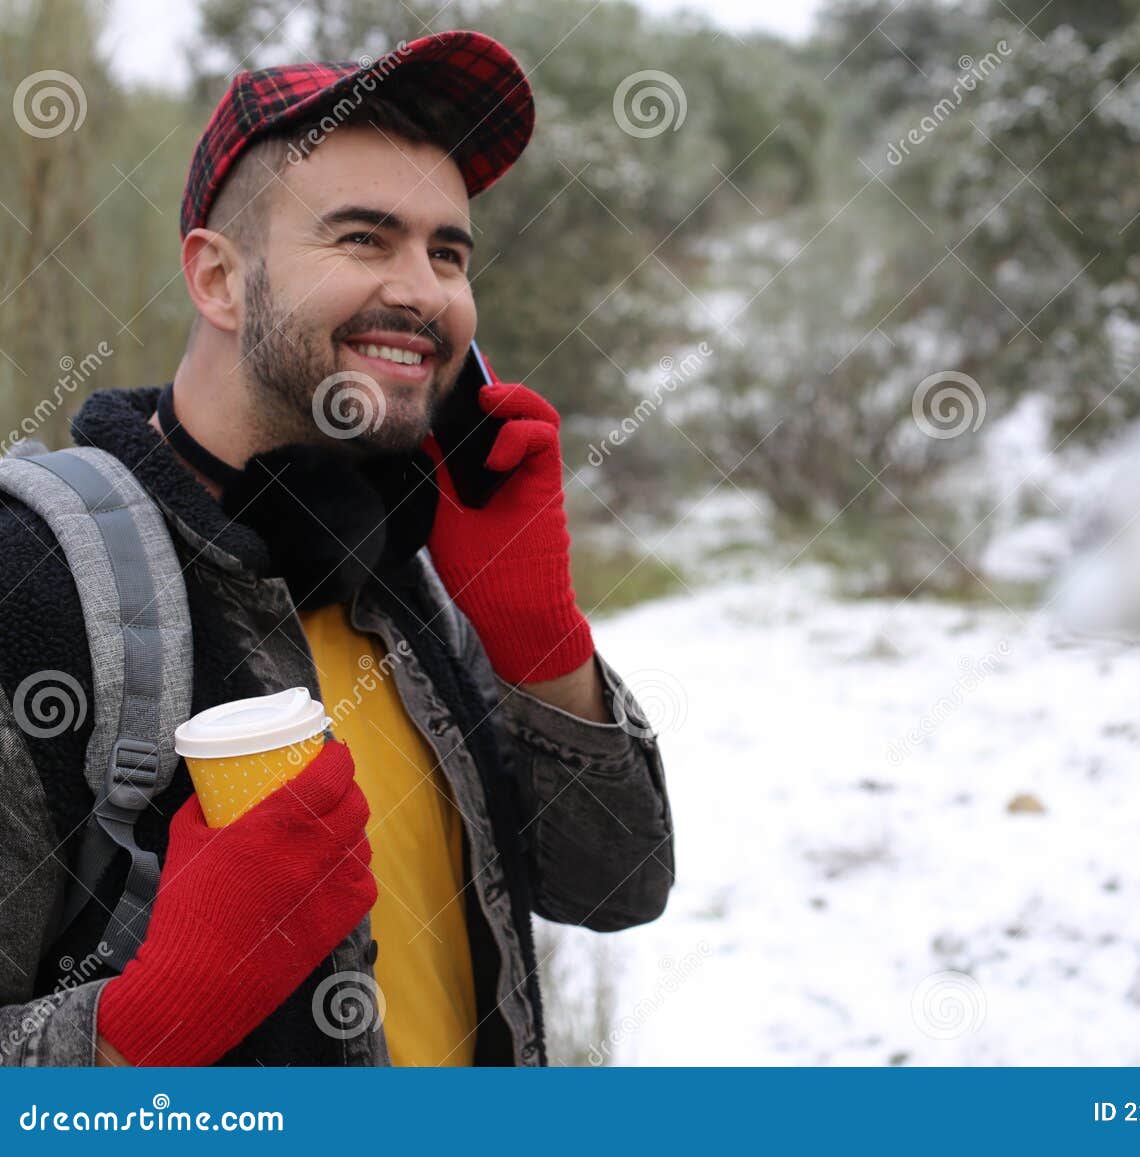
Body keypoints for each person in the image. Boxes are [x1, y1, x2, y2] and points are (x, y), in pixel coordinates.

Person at [0, 30, 674, 1067]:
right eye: (365, 238)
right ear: (219, 281)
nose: (424, 291)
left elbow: (618, 882)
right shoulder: (33, 581)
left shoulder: (405, 574)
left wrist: (539, 643)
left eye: (448, 252)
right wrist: (139, 1029)